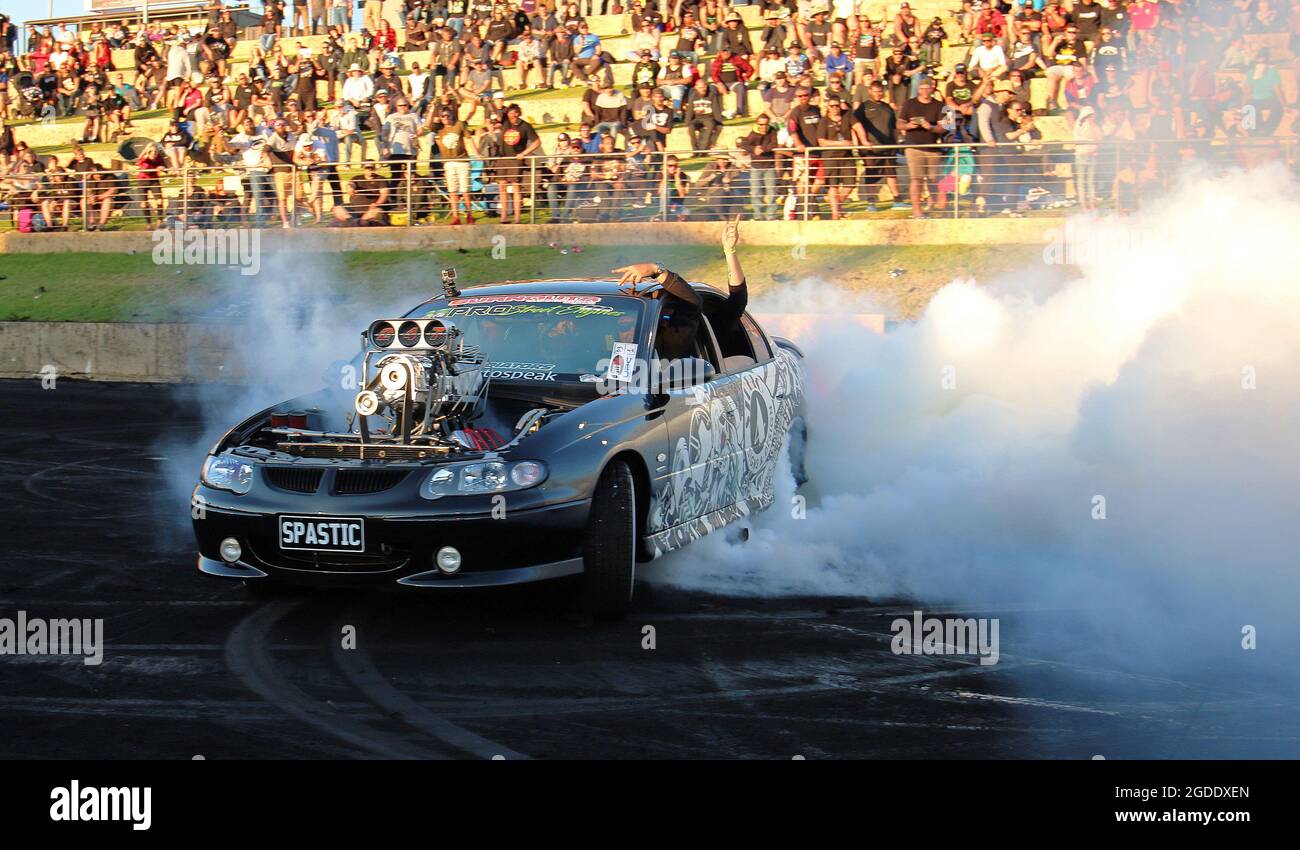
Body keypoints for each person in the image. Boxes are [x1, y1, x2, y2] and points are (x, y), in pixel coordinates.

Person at [610, 215, 748, 365]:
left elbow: (734, 299)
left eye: (634, 325)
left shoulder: (672, 343)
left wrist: (729, 251)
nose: (630, 332)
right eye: (623, 326)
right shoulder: (610, 351)